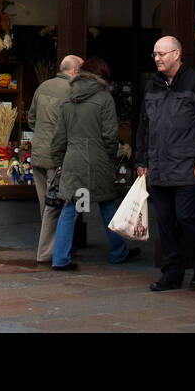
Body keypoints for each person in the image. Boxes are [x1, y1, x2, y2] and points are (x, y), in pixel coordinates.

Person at [135, 35, 195, 291]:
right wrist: (141, 159)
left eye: (161, 54)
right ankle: (172, 275)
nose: (157, 59)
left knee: (186, 219)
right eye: (155, 54)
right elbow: (144, 126)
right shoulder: (153, 86)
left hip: (187, 166)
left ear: (177, 54)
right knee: (165, 222)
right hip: (159, 167)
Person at [50, 56, 141, 271]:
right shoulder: (104, 98)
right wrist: (109, 158)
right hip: (97, 159)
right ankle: (119, 252)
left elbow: (58, 138)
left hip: (73, 159)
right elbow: (110, 136)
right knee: (107, 204)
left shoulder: (69, 98)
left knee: (70, 207)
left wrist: (58, 161)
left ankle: (60, 259)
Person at [28, 54, 83, 262]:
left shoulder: (42, 87)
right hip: (56, 155)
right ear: (74, 71)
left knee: (45, 203)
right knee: (56, 205)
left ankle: (53, 247)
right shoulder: (72, 92)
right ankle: (50, 251)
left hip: (38, 153)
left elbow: (31, 118)